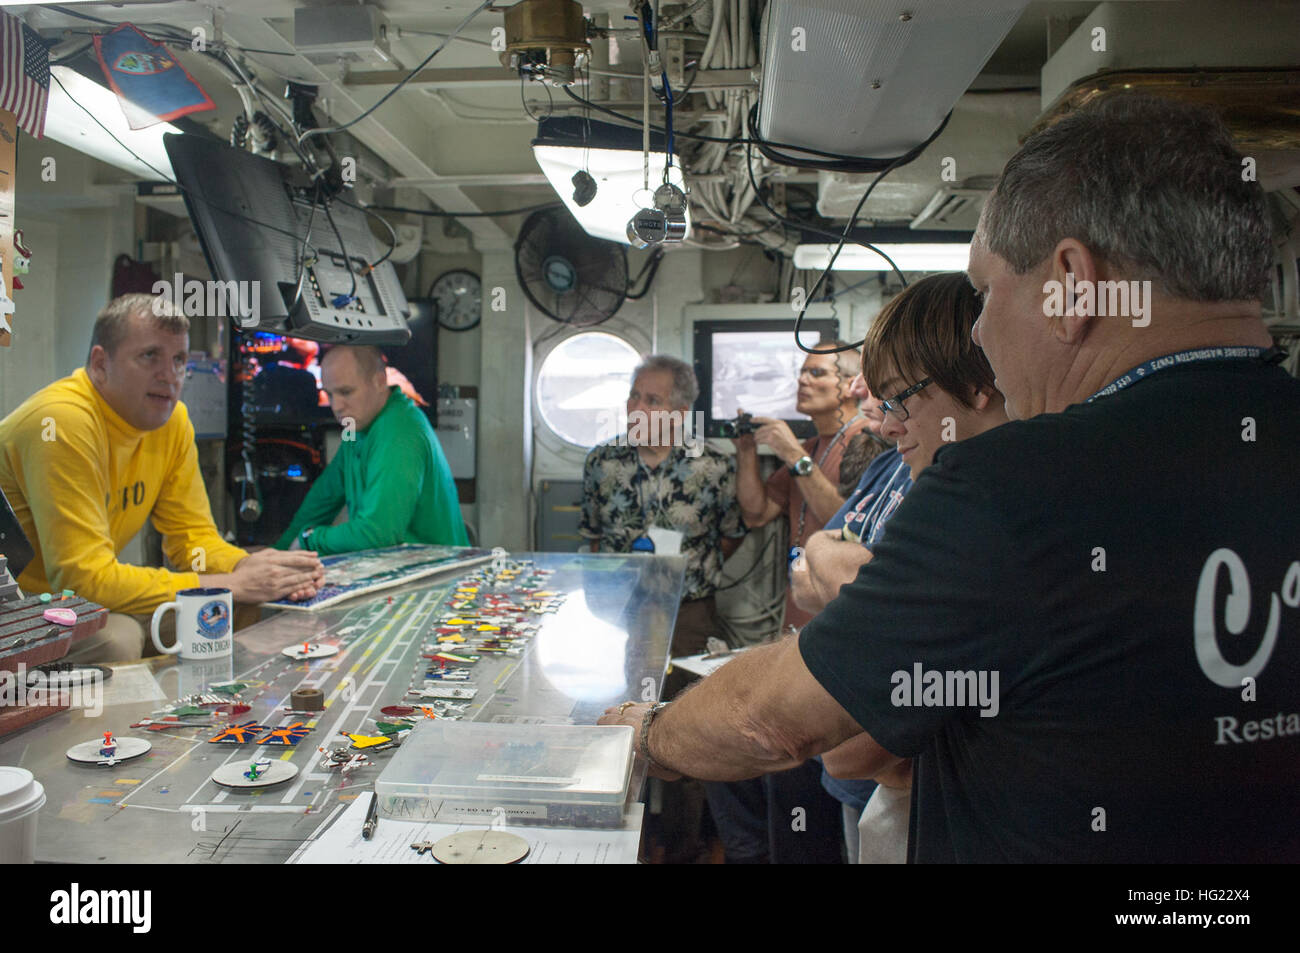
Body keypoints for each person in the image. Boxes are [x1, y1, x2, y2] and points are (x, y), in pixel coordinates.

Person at [599, 94, 1300, 862]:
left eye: (989, 292)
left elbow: (786, 720)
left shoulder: (1016, 487)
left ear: (1072, 283)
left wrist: (648, 735)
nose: (979, 333)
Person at [796, 272, 1009, 863]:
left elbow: (855, 749)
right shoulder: (924, 475)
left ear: (973, 383)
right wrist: (823, 555)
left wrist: (831, 558)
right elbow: (820, 576)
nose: (886, 426)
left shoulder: (984, 513)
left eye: (900, 400)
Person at [0, 294, 324, 662]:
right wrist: (231, 584)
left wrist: (249, 568)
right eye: (149, 356)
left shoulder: (173, 423)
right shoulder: (61, 423)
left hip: (71, 601)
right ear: (101, 364)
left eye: (179, 360)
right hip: (18, 610)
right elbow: (82, 582)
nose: (169, 375)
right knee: (117, 640)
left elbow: (193, 540)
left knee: (252, 606)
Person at [579, 355, 745, 658]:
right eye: (634, 396)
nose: (636, 409)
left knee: (687, 696)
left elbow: (731, 535)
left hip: (688, 607)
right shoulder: (601, 462)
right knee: (620, 699)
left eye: (652, 401)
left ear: (680, 413)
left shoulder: (713, 464)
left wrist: (686, 569)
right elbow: (593, 536)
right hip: (619, 606)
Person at [274, 345, 468, 554]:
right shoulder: (353, 426)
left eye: (346, 392)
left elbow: (377, 534)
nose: (336, 406)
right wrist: (279, 551)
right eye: (329, 394)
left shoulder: (399, 431)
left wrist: (309, 539)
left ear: (379, 381)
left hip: (439, 574)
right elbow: (327, 492)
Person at [734, 340, 871, 630]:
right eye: (801, 372)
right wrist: (745, 451)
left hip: (841, 610)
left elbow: (849, 526)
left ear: (850, 386)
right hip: (801, 605)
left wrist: (794, 455)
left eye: (817, 373)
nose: (802, 380)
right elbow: (756, 513)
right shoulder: (811, 447)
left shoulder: (868, 441)